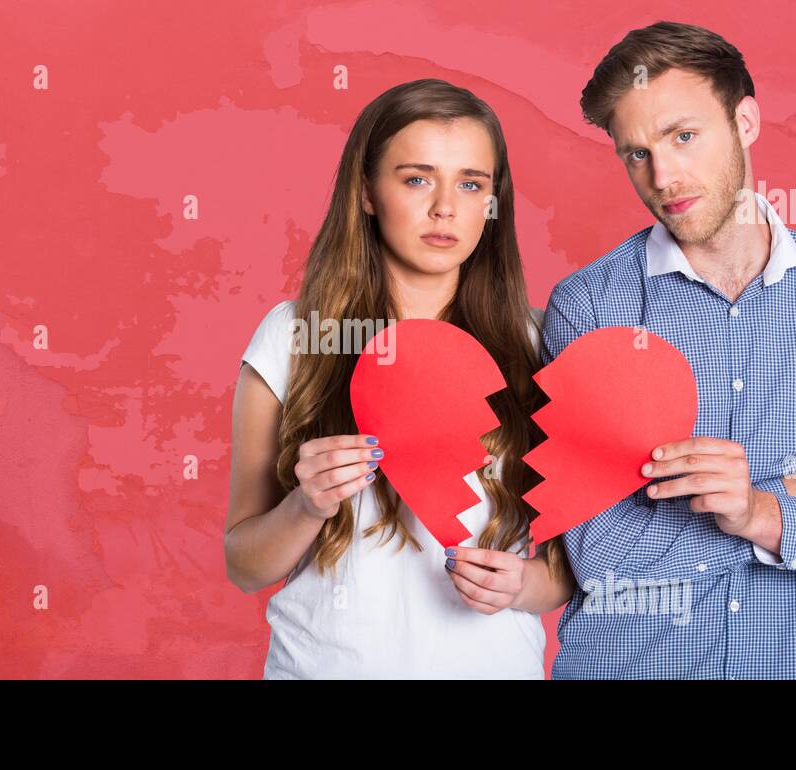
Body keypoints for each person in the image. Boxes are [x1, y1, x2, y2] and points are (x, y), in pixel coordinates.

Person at [544, 21, 796, 679]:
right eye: (635, 153)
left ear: (746, 122)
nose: (663, 176)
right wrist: (795, 495)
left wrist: (756, 509)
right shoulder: (588, 309)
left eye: (683, 136)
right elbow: (602, 559)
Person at [225, 79, 573, 679]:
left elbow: (570, 565)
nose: (445, 208)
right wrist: (306, 506)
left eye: (471, 184)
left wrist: (524, 586)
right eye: (416, 178)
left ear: (493, 203)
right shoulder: (295, 335)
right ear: (366, 192)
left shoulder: (538, 342)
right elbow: (244, 563)